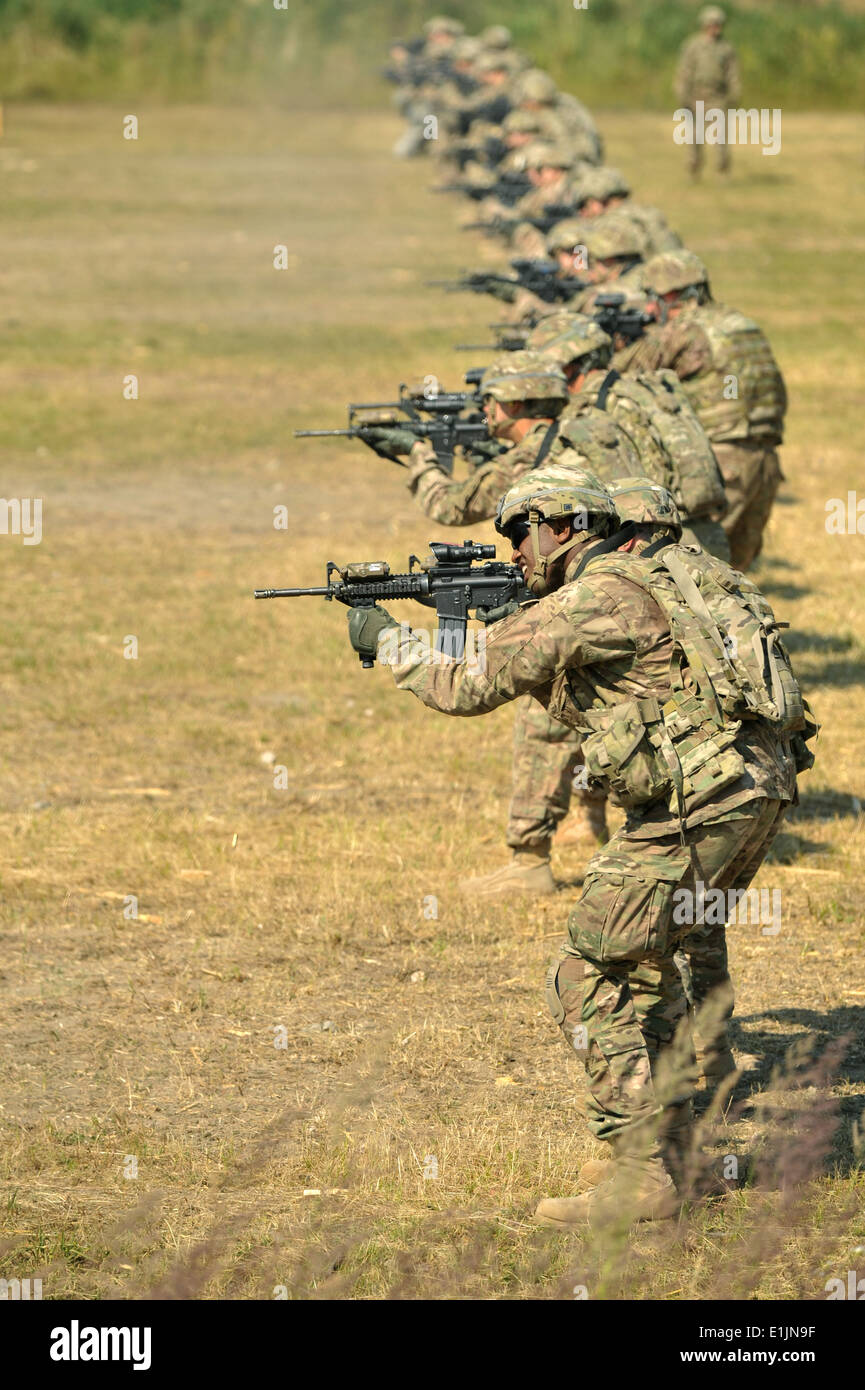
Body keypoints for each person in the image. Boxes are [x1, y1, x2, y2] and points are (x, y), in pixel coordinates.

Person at [346, 465, 813, 1225]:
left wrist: (388, 640)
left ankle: (645, 1177)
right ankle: (682, 1159)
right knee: (652, 959)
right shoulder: (678, 574)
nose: (513, 549)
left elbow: (464, 686)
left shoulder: (591, 597)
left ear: (563, 525)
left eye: (518, 530)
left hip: (695, 803)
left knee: (588, 973)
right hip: (754, 787)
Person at [615, 251, 787, 569]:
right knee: (737, 572)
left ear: (674, 294)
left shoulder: (685, 330)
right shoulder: (740, 322)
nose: (650, 308)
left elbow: (619, 374)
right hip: (764, 463)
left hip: (723, 463)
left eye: (654, 297)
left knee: (700, 571)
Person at [675, 6, 740, 178]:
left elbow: (732, 73)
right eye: (712, 24)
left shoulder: (726, 48)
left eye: (718, 24)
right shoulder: (693, 46)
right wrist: (682, 94)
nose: (715, 28)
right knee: (694, 137)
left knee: (720, 137)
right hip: (696, 96)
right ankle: (693, 170)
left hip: (717, 97)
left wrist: (734, 93)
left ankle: (722, 170)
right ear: (704, 25)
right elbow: (685, 71)